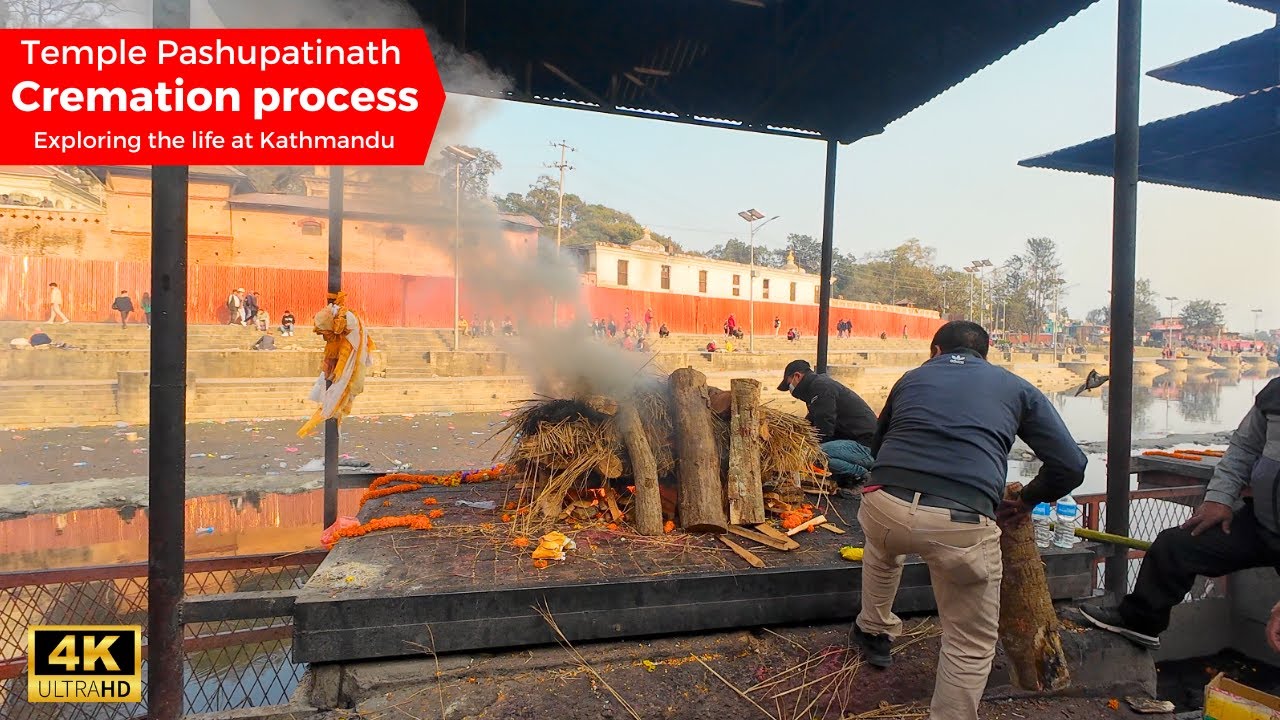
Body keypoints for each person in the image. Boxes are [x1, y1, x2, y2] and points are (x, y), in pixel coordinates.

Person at [852, 321, 1086, 720]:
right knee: (969, 642)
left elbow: (879, 443)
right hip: (960, 522)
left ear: (935, 351)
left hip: (884, 503)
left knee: (881, 546)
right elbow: (1070, 464)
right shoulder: (1016, 387)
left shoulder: (913, 377)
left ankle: (874, 631)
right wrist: (1028, 500)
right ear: (987, 353)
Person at [1081, 376, 1280, 651]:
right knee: (1174, 546)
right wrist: (1219, 499)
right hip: (1265, 524)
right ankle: (1140, 623)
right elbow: (1244, 448)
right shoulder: (1275, 393)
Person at [777, 359, 878, 487]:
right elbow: (811, 423)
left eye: (789, 384)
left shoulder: (821, 388)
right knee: (814, 452)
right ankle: (850, 476)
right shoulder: (816, 389)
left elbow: (825, 426)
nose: (790, 390)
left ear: (797, 376)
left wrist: (805, 449)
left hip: (865, 447)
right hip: (857, 443)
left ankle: (862, 475)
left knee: (813, 454)